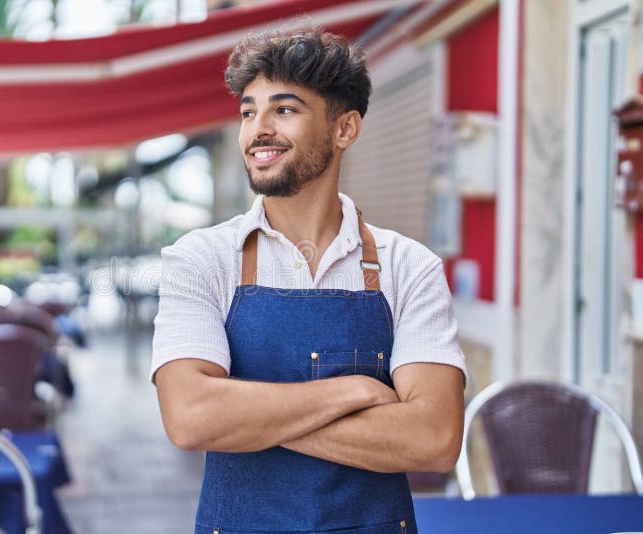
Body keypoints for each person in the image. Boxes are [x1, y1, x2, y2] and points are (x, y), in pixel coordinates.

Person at [151, 28, 467, 534]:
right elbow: (189, 416)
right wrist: (355, 391)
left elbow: (434, 439)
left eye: (285, 109)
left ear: (344, 129)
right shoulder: (200, 258)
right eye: (249, 111)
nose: (259, 129)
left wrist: (244, 417)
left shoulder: (410, 267)